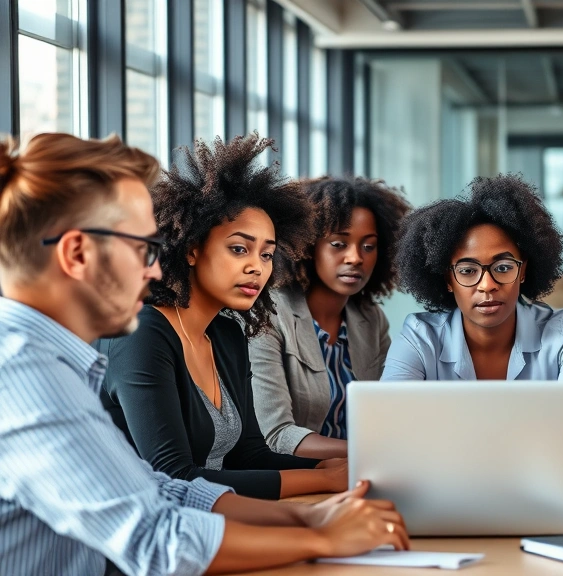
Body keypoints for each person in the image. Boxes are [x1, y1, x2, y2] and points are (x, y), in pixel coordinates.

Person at [0, 132, 408, 576]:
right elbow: (156, 539)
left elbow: (158, 489)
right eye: (143, 248)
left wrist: (307, 515)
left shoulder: (48, 362)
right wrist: (322, 538)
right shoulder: (20, 373)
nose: (155, 268)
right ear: (77, 253)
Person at [98, 135, 347, 500]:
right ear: (193, 249)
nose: (256, 267)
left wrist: (328, 468)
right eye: (239, 249)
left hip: (216, 520)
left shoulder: (227, 335)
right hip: (147, 536)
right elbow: (173, 476)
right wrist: (324, 481)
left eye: (266, 255)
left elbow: (249, 455)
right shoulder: (141, 333)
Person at [382, 173, 563, 440]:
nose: (487, 285)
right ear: (448, 280)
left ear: (523, 271)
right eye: (467, 270)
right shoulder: (420, 336)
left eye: (502, 267)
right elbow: (391, 425)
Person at [250, 176, 411, 459]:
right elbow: (276, 435)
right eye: (339, 244)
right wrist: (371, 454)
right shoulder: (269, 316)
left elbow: (390, 412)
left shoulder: (371, 319)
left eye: (369, 246)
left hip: (367, 473)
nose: (355, 258)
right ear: (308, 246)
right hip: (301, 479)